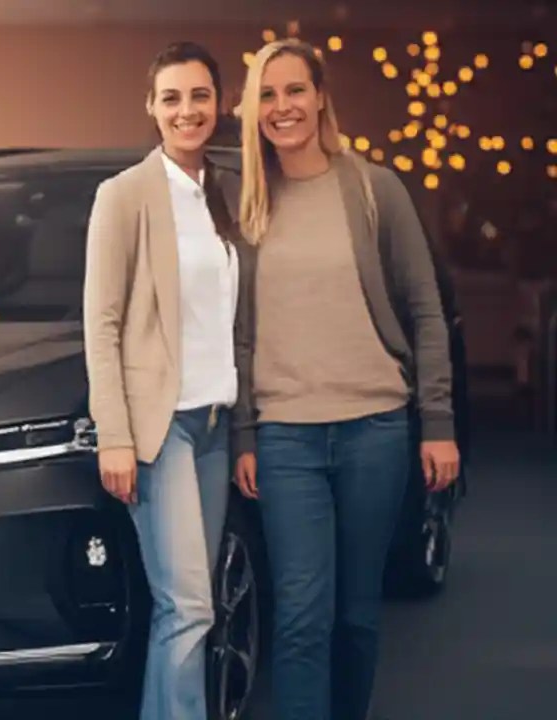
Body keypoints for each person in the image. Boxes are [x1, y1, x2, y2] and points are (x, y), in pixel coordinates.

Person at [231, 38, 461, 720]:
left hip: (376, 430)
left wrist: (439, 422)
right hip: (285, 442)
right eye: (267, 96)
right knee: (302, 615)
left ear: (321, 95)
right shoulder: (245, 201)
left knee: (357, 616)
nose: (282, 107)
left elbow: (424, 310)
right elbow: (235, 334)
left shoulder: (373, 187)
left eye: (294, 90)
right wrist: (245, 429)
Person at [83, 41, 242, 719]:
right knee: (190, 608)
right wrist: (115, 436)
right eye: (171, 98)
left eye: (199, 96)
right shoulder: (124, 195)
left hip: (215, 424)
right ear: (151, 107)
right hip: (162, 429)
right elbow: (104, 321)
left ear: (219, 103)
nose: (187, 110)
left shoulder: (223, 193)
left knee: (186, 609)